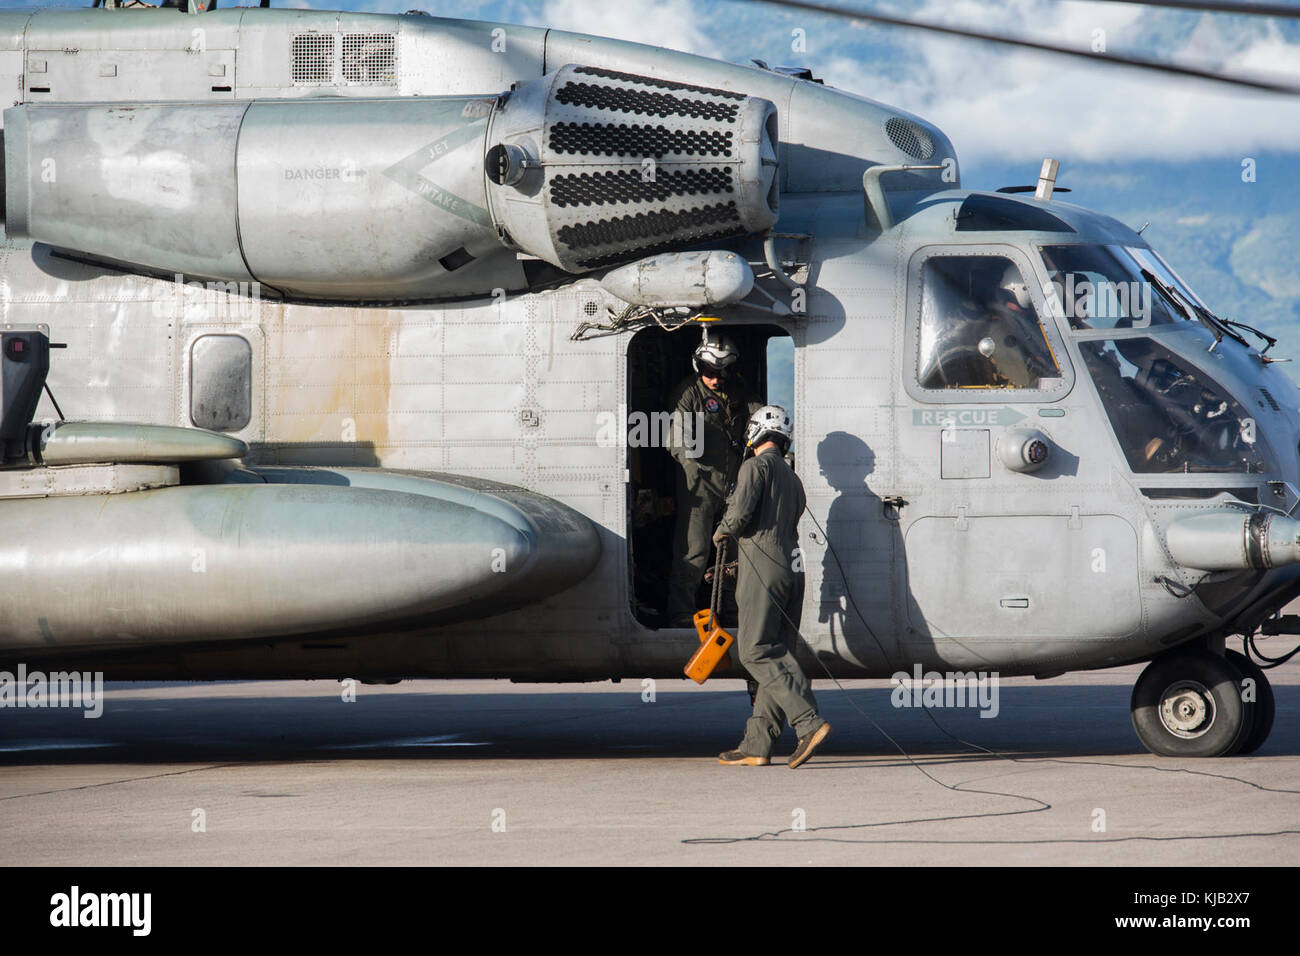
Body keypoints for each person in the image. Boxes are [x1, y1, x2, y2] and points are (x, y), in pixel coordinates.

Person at [712, 405, 831, 768]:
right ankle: (757, 744)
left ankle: (808, 723)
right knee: (775, 651)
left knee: (754, 650)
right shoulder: (793, 478)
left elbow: (741, 512)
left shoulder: (754, 467)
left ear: (756, 433)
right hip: (793, 567)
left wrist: (722, 531)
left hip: (764, 564)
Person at [665, 333, 761, 627]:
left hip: (734, 482)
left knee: (733, 552)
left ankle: (729, 612)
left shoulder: (739, 393)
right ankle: (681, 612)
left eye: (722, 372)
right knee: (693, 550)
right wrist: (689, 454)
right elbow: (674, 436)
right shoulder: (688, 394)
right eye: (710, 372)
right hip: (699, 484)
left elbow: (761, 417)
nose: (716, 379)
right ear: (699, 368)